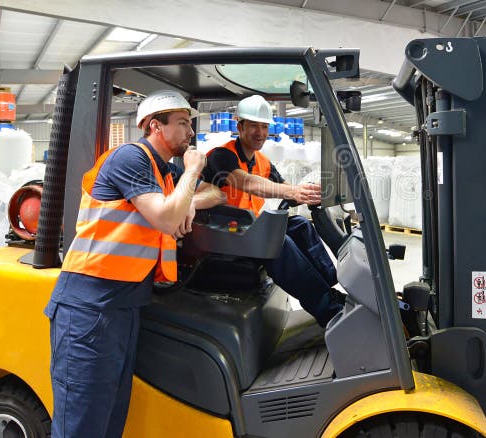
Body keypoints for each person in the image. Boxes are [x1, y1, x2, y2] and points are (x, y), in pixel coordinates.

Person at [44, 89, 225, 438]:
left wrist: (188, 202)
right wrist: (190, 175)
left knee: (110, 417)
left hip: (123, 306)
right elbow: (163, 216)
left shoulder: (165, 171)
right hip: (90, 307)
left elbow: (215, 193)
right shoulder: (131, 158)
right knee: (81, 425)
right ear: (155, 126)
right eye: (183, 123)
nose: (191, 133)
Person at [203, 95, 343, 328]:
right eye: (253, 126)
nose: (260, 132)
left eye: (264, 126)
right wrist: (291, 192)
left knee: (298, 224)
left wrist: (305, 191)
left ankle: (329, 287)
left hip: (243, 229)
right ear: (240, 127)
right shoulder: (222, 155)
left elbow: (285, 185)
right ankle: (327, 309)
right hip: (219, 234)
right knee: (279, 243)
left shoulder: (262, 161)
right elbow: (245, 181)